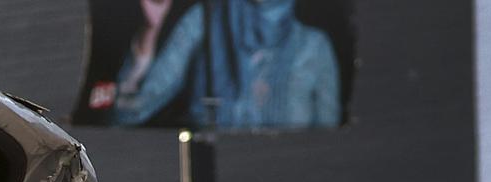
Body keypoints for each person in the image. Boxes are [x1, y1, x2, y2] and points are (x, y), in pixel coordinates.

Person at [110, 0, 342, 129]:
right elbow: (128, 112)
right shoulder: (205, 20)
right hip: (209, 180)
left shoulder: (314, 47)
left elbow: (333, 144)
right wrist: (150, 33)